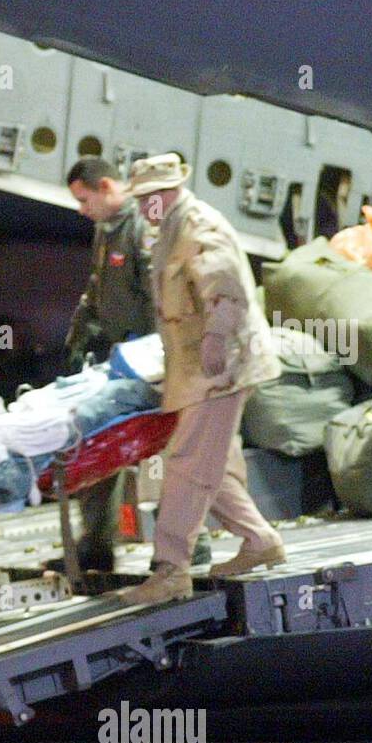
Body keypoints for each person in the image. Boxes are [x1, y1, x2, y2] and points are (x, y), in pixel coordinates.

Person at [117, 154, 285, 605]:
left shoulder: (195, 224)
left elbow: (225, 286)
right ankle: (259, 540)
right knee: (215, 465)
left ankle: (171, 570)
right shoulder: (168, 228)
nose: (142, 207)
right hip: (199, 369)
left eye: (148, 198)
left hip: (220, 369)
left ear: (167, 193)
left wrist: (215, 336)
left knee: (189, 463)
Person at [64, 158, 210, 574]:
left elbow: (158, 299)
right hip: (122, 359)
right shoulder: (106, 231)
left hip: (155, 362)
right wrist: (78, 339)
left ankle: (188, 543)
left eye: (84, 199)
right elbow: (95, 290)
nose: (81, 208)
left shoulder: (141, 231)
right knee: (98, 443)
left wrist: (159, 359)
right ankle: (95, 545)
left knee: (174, 454)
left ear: (107, 187)